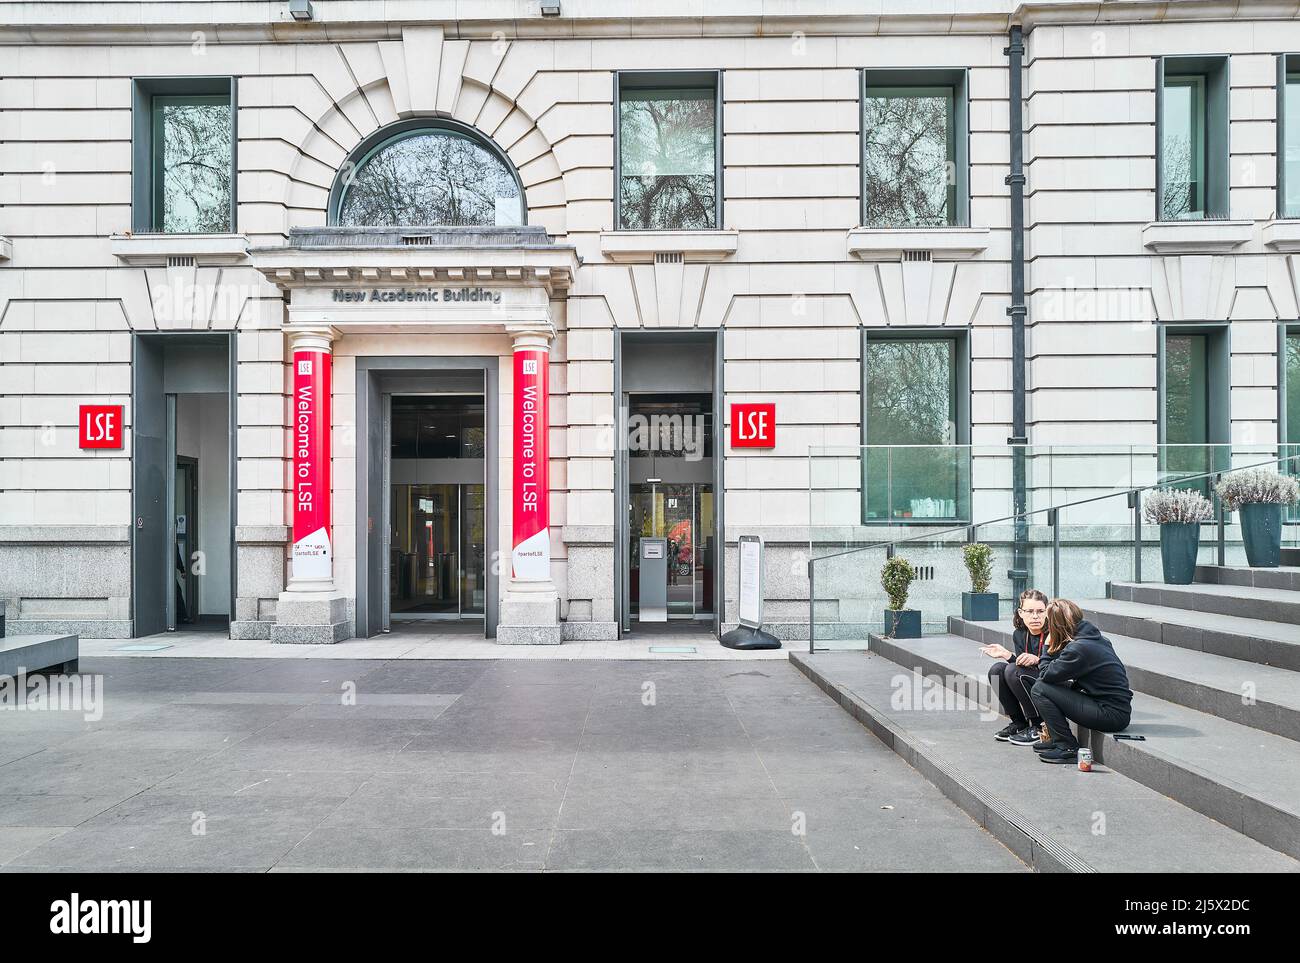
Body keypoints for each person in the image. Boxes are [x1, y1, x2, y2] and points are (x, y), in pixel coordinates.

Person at [1030, 598, 1134, 765]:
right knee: (1048, 686)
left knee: (1040, 689)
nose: (1046, 627)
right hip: (1108, 705)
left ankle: (1067, 747)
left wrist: (1047, 646)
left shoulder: (1080, 648)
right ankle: (1058, 738)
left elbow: (1044, 674)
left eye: (1049, 623)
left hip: (1111, 714)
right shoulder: (1094, 638)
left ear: (1057, 625)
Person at [979, 589, 1051, 745]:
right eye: (1029, 611)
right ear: (1021, 612)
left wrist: (1038, 660)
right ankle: (1019, 723)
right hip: (1034, 679)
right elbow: (1021, 667)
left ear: (1047, 612)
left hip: (1053, 682)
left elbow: (1059, 668)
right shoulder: (1019, 634)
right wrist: (1007, 655)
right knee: (997, 670)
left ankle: (1040, 726)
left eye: (1040, 611)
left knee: (1012, 670)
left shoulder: (1054, 632)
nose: (1035, 616)